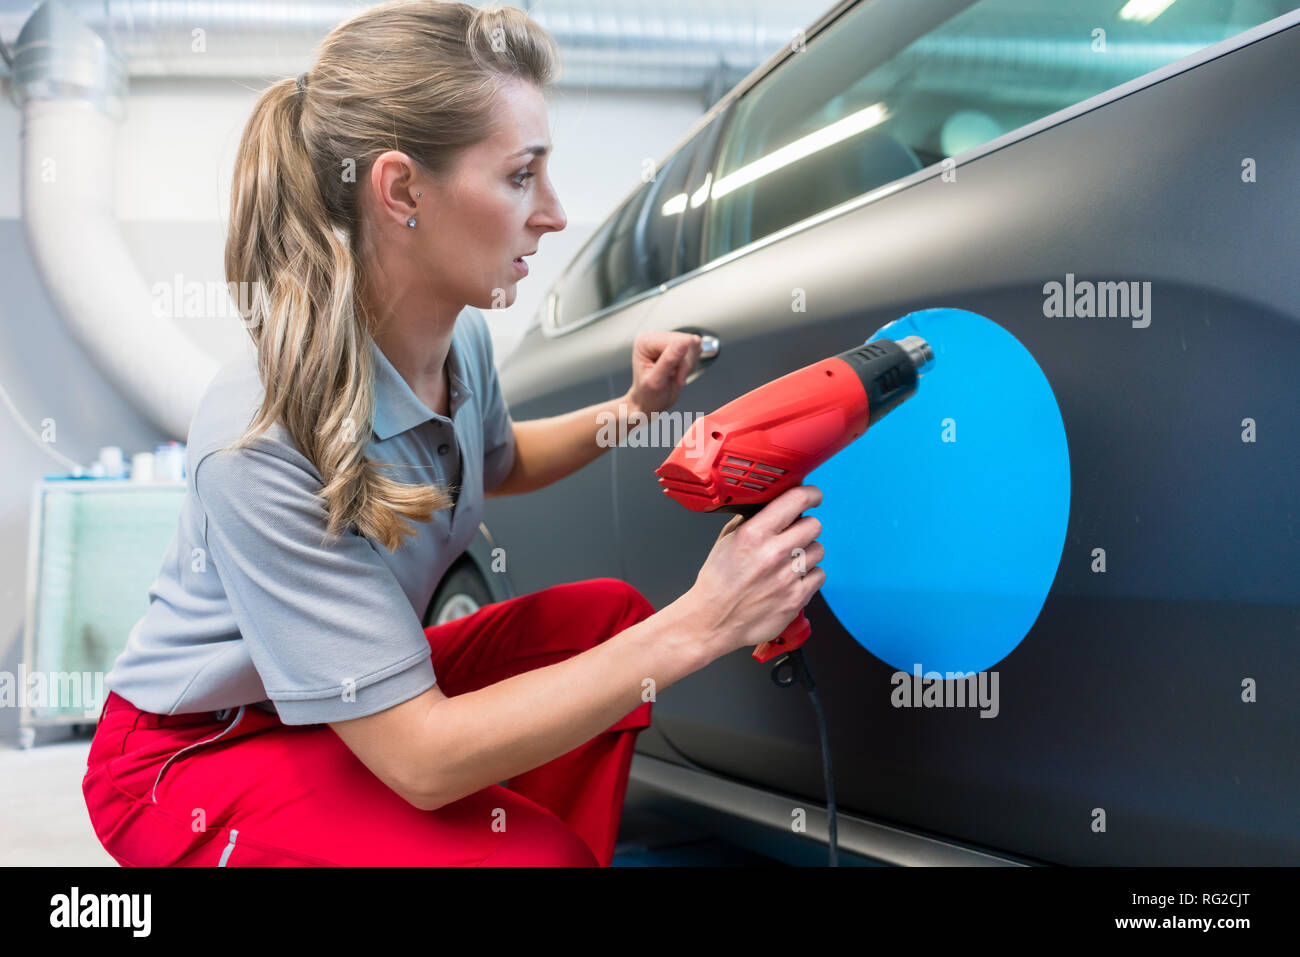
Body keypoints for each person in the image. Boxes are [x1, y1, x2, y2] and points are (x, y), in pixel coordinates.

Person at [83, 0, 825, 867]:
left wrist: (633, 410)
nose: (552, 213)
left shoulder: (459, 334)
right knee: (535, 851)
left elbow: (500, 460)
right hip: (195, 751)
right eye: (521, 176)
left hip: (332, 703)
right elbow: (421, 758)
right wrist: (707, 619)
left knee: (607, 625)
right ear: (402, 190)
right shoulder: (262, 439)